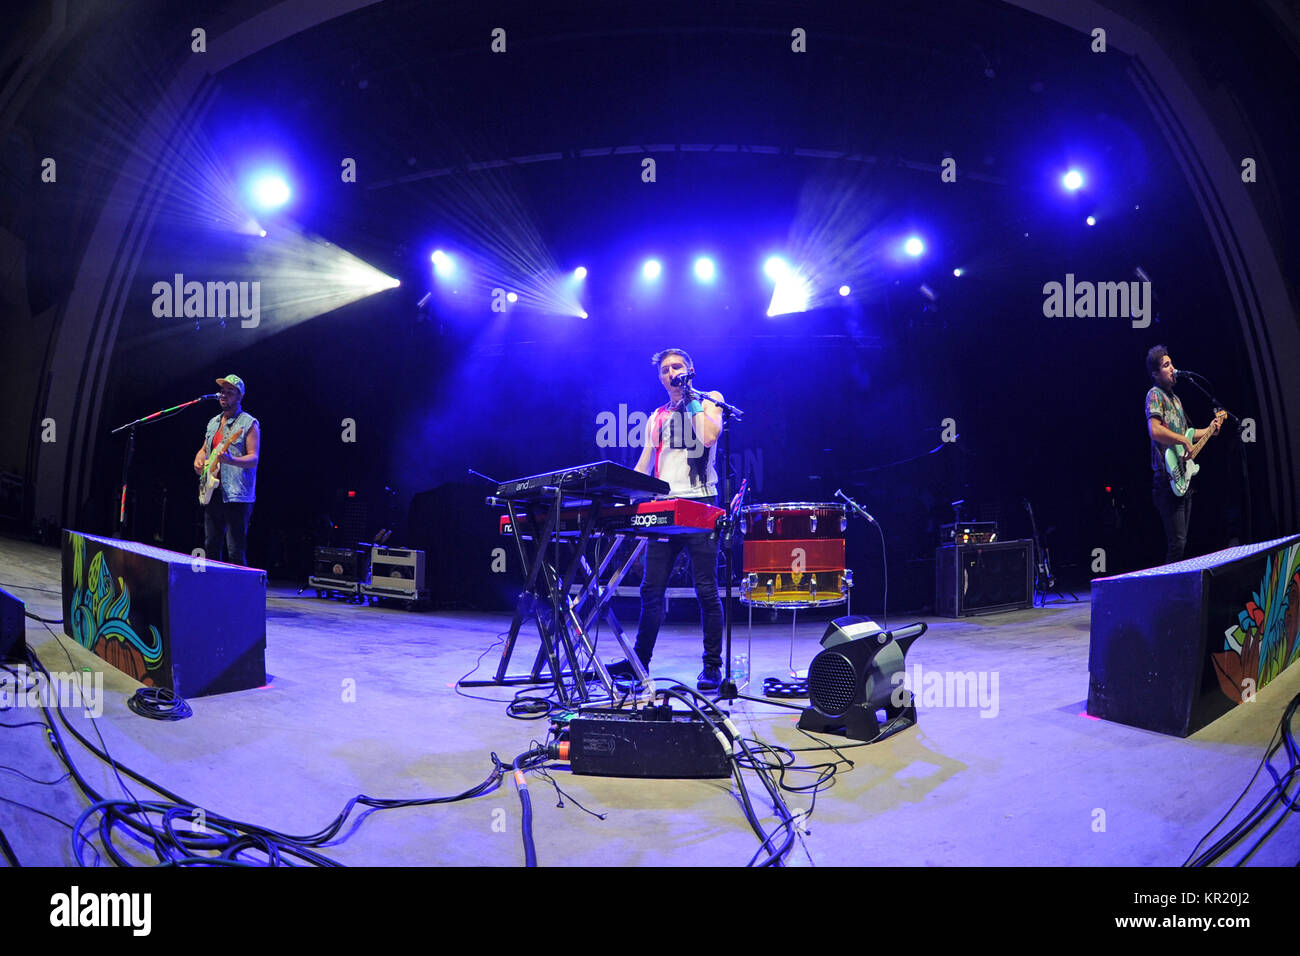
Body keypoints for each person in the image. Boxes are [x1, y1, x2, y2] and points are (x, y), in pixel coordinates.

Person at [609, 349, 726, 690]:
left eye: (677, 367)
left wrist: (688, 398)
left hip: (701, 503)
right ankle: (639, 662)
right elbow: (645, 464)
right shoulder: (657, 416)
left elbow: (708, 436)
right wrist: (621, 494)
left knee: (706, 588)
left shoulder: (710, 401)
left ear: (690, 370)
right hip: (664, 507)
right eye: (665, 370)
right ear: (660, 377)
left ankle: (712, 667)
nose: (671, 373)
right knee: (651, 589)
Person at [1145, 346, 1219, 564]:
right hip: (1166, 479)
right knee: (1177, 543)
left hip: (1182, 475)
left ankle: (1173, 591)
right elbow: (1155, 431)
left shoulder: (1176, 400)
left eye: (1171, 363)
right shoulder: (1155, 395)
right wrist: (1183, 440)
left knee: (1183, 542)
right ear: (1156, 374)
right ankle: (1167, 594)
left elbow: (1187, 433)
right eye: (1166, 365)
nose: (1172, 368)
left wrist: (1210, 429)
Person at [193, 374, 260, 566]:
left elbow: (253, 458)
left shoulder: (248, 423)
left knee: (235, 550)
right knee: (211, 544)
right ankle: (213, 590)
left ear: (239, 396)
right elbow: (205, 449)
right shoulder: (213, 422)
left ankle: (237, 594)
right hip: (213, 490)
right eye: (222, 391)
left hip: (237, 495)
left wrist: (231, 460)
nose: (224, 395)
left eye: (230, 392)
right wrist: (198, 458)